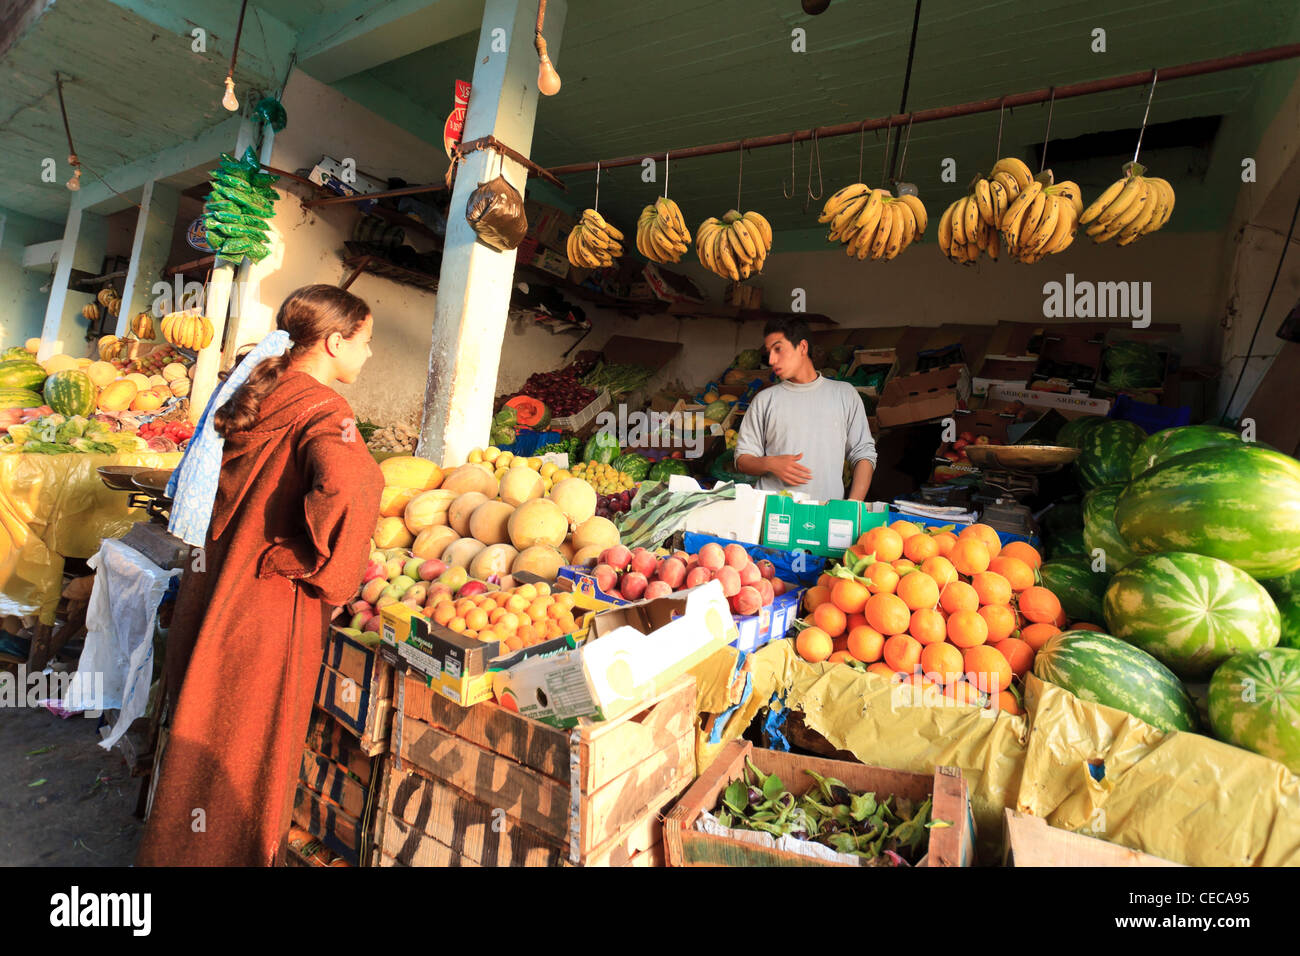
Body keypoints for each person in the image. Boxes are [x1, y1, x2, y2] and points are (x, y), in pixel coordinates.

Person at [136, 285, 384, 867]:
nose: (369, 355)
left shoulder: (259, 389)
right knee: (248, 745)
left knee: (204, 727)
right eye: (366, 343)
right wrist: (319, 566)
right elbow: (354, 486)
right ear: (333, 341)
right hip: (267, 602)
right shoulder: (326, 409)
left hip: (216, 583)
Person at [734, 316, 877, 502]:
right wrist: (770, 463)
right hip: (775, 513)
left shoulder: (844, 395)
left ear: (802, 347)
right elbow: (742, 460)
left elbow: (863, 453)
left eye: (778, 349)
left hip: (826, 511)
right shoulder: (764, 400)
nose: (771, 359)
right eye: (769, 352)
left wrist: (853, 504)